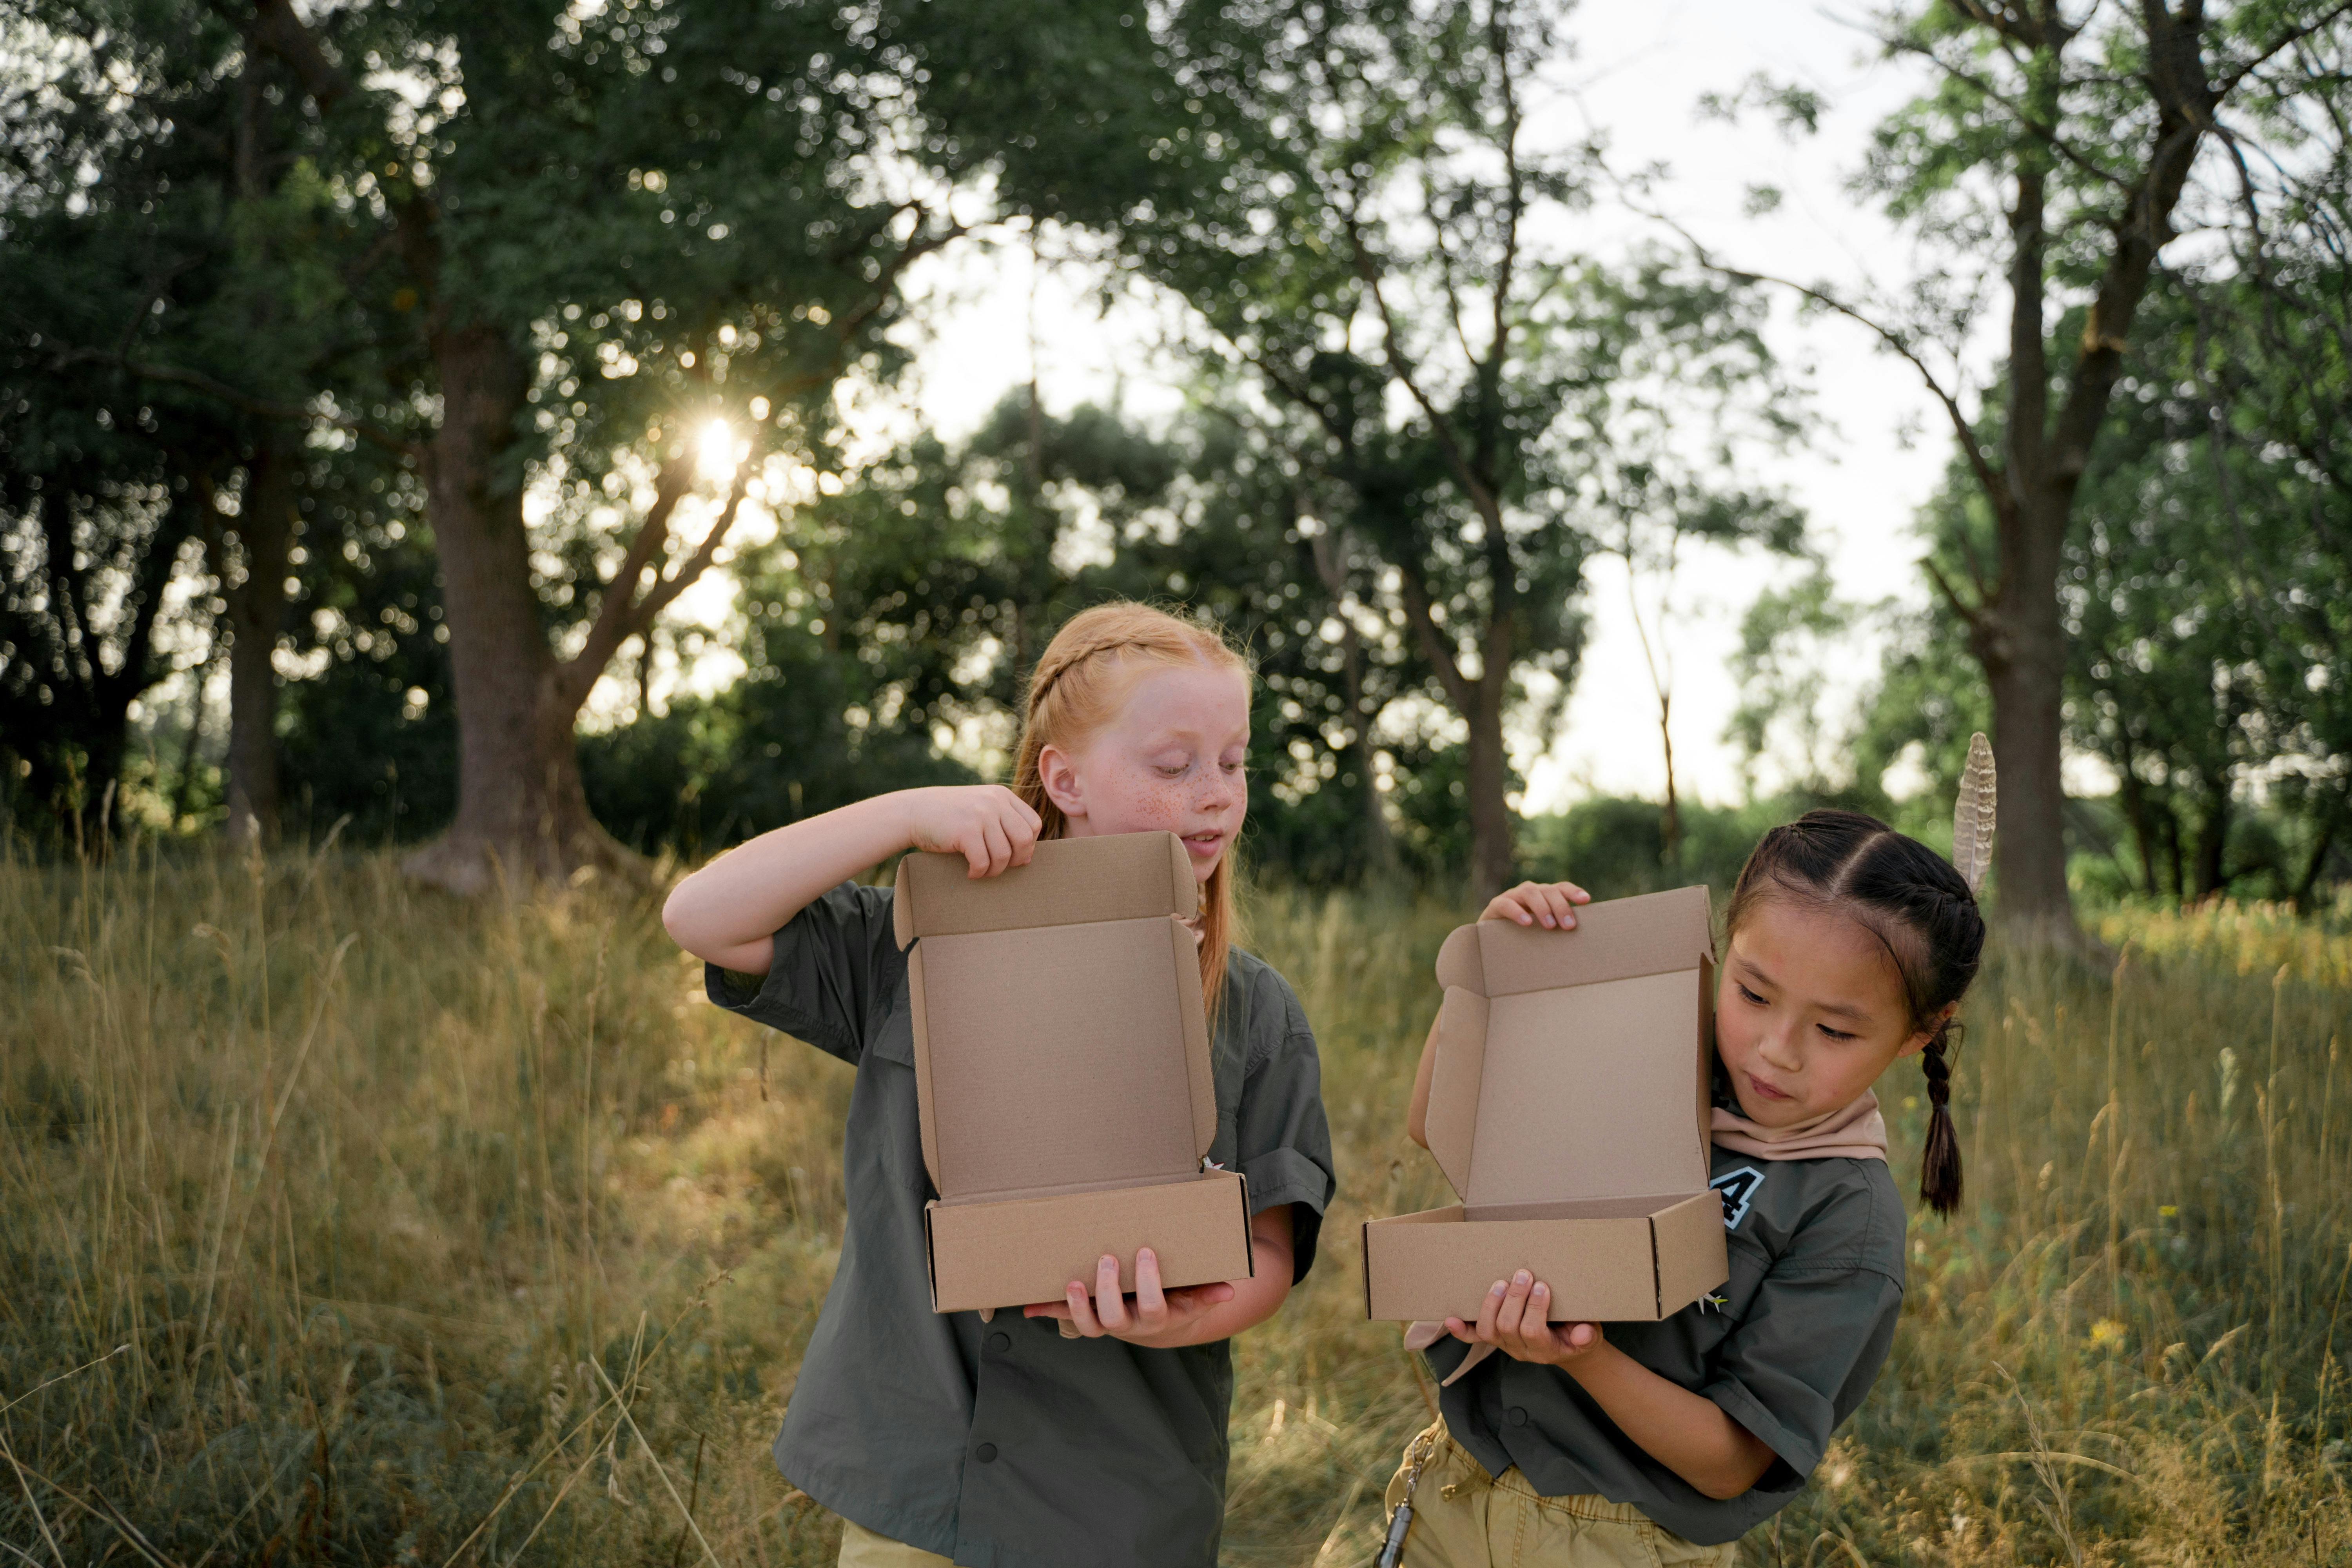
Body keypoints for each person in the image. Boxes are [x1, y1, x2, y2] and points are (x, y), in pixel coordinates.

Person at [662, 601, 1336, 1568]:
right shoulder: (921, 946)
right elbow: (701, 915)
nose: (1217, 794)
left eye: (1233, 761)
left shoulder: (1256, 1010)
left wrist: (1185, 1315)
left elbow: (1272, 1248)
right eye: (1173, 762)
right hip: (917, 1490)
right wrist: (902, 814)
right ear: (1064, 777)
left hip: (1112, 1505)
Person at [1383, 798, 1992, 1566]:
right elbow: (1433, 1122)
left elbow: (1731, 1458)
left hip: (1624, 1543)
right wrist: (1488, 972)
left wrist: (1581, 1352)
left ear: (1920, 1032)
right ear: (1717, 951)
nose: (1777, 1050)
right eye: (1753, 993)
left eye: (1834, 1029)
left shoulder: (1846, 1217)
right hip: (1459, 1490)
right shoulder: (1651, 1056)